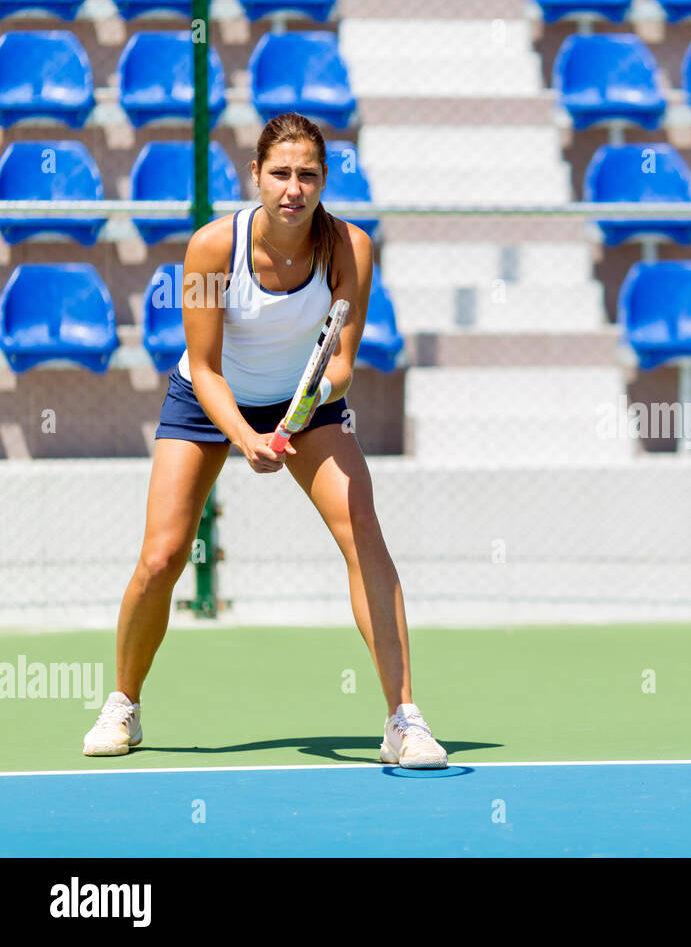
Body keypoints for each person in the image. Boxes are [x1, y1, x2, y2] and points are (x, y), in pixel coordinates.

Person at [82, 112, 446, 769]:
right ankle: (124, 703)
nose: (292, 188)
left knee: (363, 530)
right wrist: (248, 438)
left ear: (324, 180)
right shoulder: (211, 249)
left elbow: (339, 364)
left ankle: (403, 718)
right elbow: (207, 365)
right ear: (255, 175)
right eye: (279, 173)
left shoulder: (349, 248)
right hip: (208, 400)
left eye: (308, 174)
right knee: (163, 558)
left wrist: (307, 406)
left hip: (304, 405)